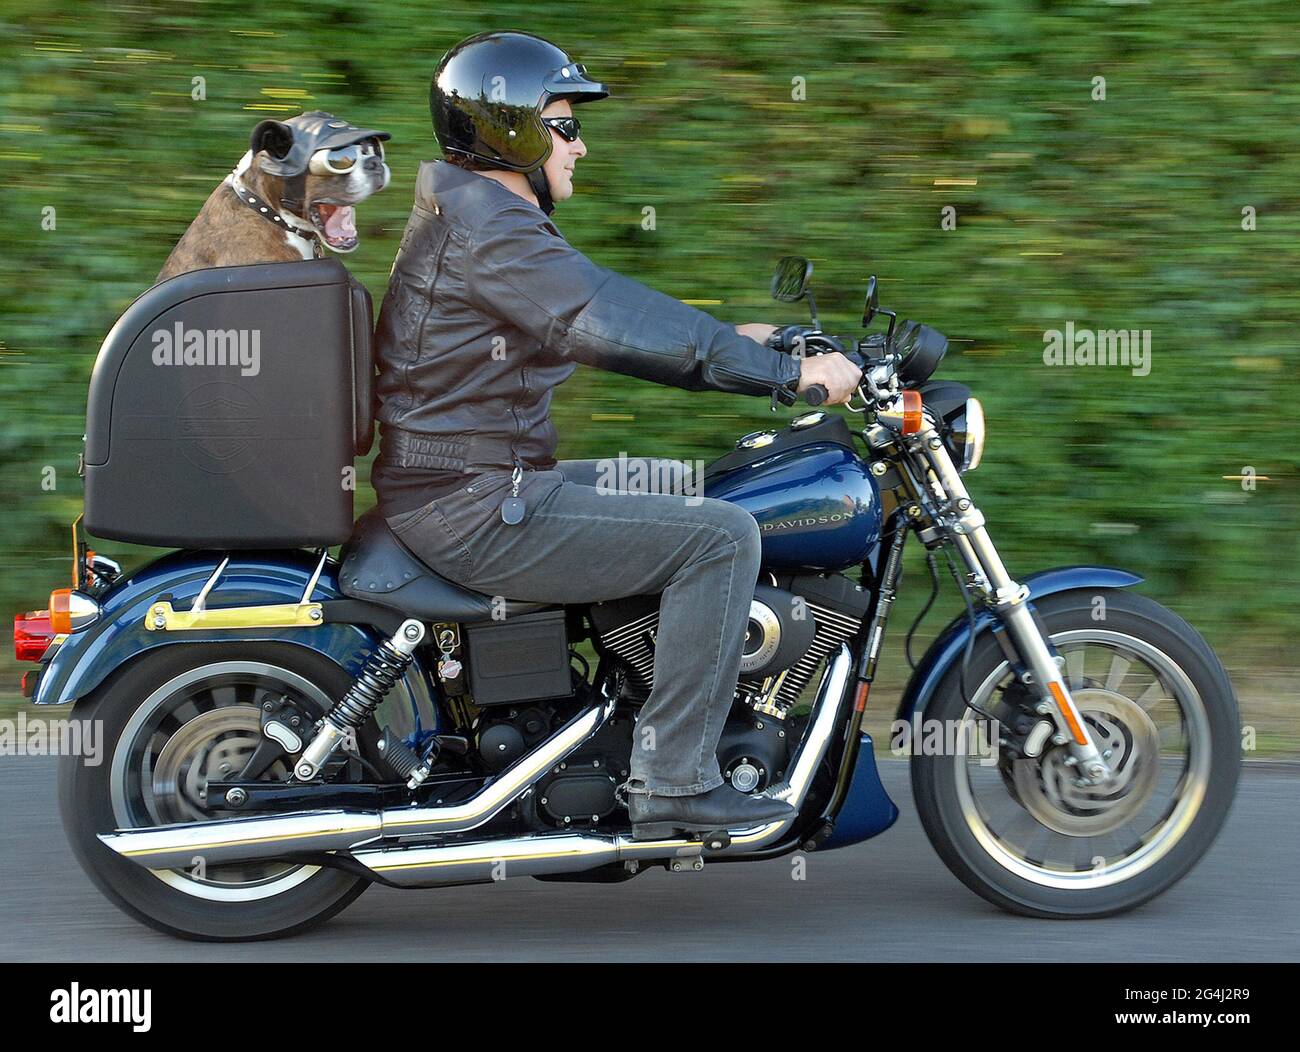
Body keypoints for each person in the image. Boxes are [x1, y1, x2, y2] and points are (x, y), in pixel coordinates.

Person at [372, 30, 862, 837]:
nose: (581, 146)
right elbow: (604, 318)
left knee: (688, 487)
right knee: (723, 539)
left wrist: (751, 343)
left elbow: (613, 309)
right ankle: (673, 783)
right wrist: (780, 378)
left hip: (481, 481)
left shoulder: (478, 216)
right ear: (514, 130)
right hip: (477, 501)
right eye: (566, 125)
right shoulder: (490, 229)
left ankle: (624, 716)